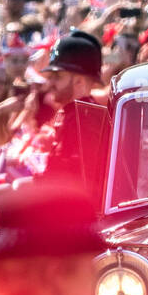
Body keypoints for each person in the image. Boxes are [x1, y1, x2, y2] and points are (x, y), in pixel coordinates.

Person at [44, 28, 110, 197]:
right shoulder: (74, 114)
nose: (49, 83)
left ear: (79, 82)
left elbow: (84, 188)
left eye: (57, 77)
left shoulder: (85, 119)